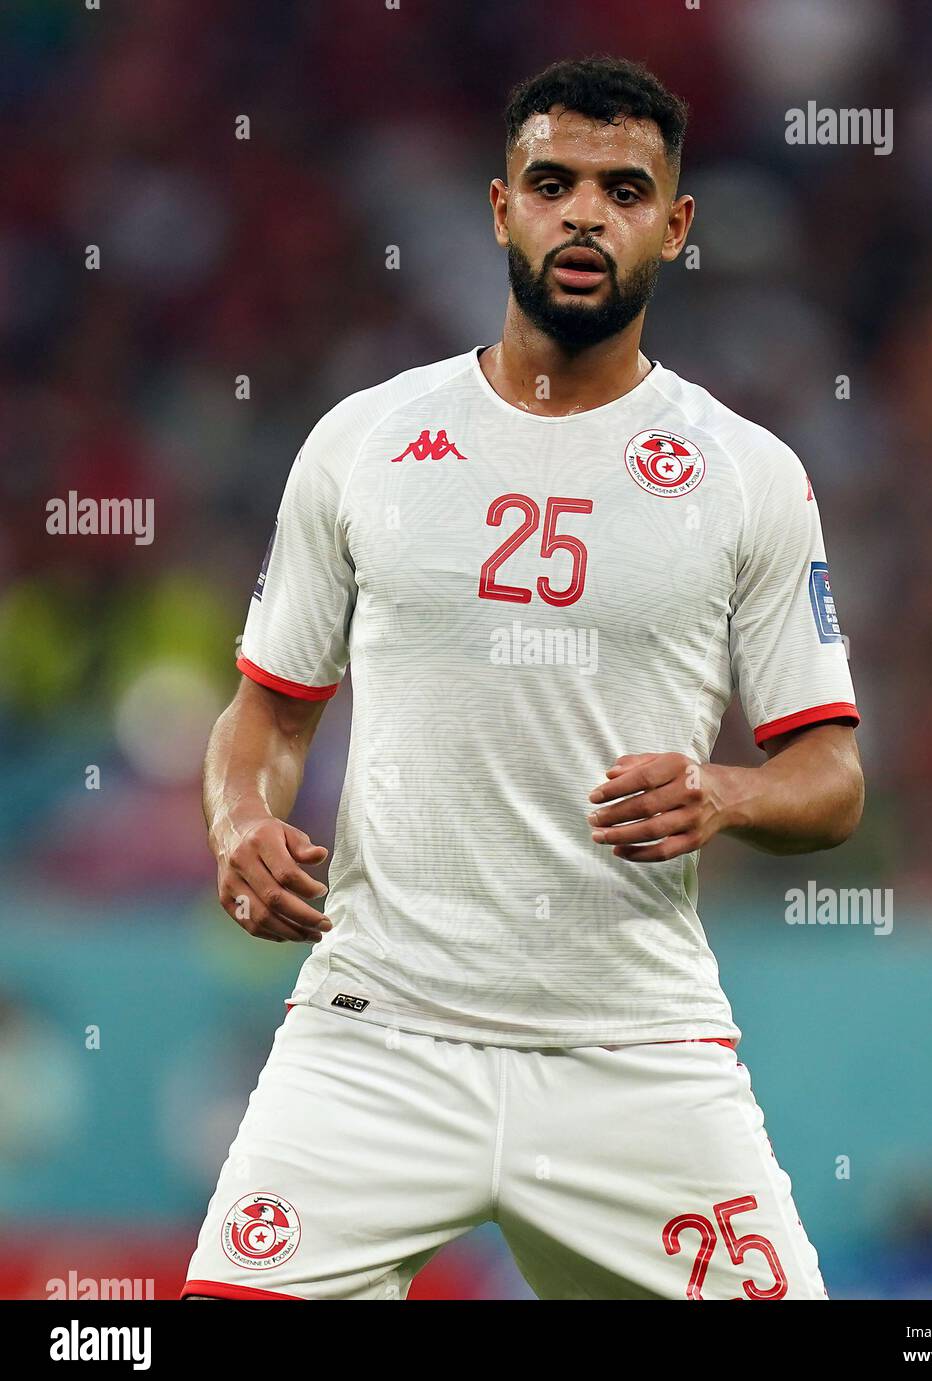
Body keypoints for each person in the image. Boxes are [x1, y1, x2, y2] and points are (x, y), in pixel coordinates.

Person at [183, 55, 863, 1301]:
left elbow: (829, 777)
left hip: (634, 1047)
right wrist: (239, 820)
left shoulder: (746, 473)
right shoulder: (365, 440)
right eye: (552, 183)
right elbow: (268, 709)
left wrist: (724, 794)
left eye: (622, 188)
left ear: (675, 223)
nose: (584, 215)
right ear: (501, 207)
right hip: (378, 1031)